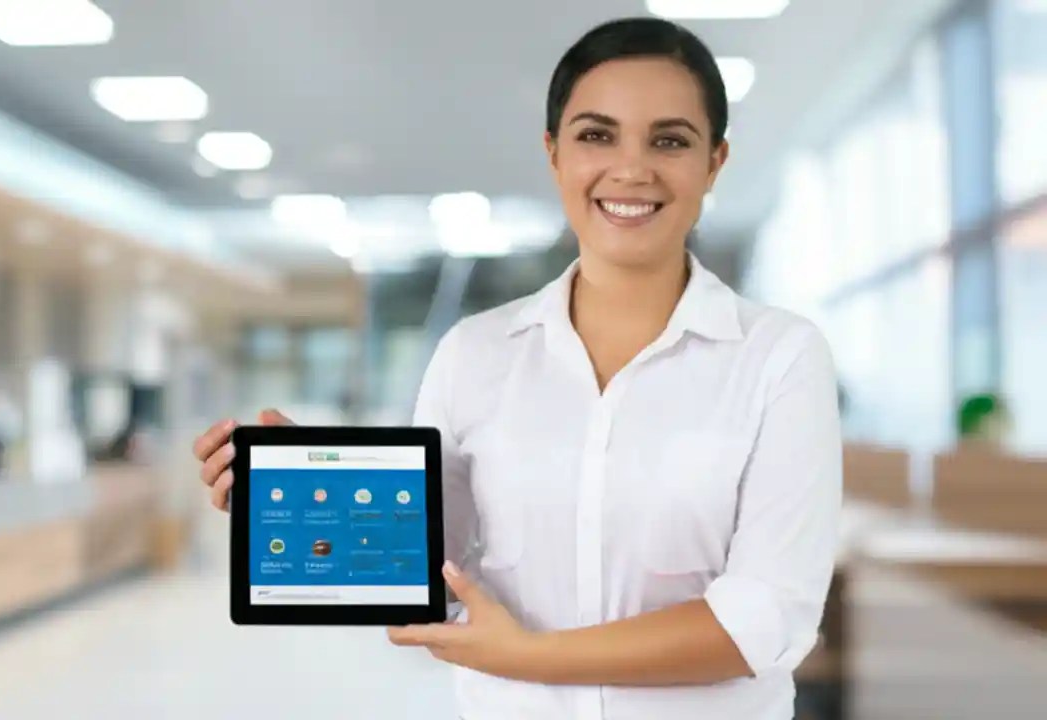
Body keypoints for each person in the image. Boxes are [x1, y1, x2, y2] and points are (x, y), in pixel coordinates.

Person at [194, 17, 841, 720]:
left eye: (670, 140)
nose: (632, 168)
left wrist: (525, 655)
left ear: (714, 162)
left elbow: (766, 618)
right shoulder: (474, 354)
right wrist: (322, 491)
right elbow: (429, 572)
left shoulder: (779, 355)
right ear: (554, 153)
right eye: (597, 134)